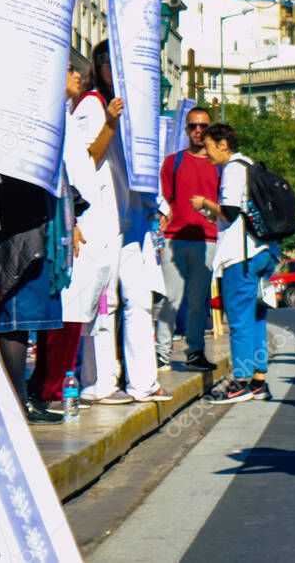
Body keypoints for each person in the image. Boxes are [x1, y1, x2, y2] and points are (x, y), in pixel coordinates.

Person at [78, 41, 170, 405]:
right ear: (98, 67)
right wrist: (111, 123)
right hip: (101, 220)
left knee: (139, 299)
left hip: (131, 220)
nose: (116, 72)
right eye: (109, 63)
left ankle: (143, 382)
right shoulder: (91, 105)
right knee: (105, 302)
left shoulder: (132, 111)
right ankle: (98, 383)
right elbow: (86, 158)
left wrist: (156, 203)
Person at [193, 123, 278, 403]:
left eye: (208, 146)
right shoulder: (250, 164)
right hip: (264, 250)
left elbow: (230, 212)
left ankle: (240, 381)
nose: (205, 152)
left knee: (239, 320)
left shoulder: (231, 169)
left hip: (241, 255)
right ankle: (258, 381)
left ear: (223, 144)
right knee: (256, 317)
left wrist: (205, 203)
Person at [27, 61, 93, 411]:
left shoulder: (68, 116)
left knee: (71, 306)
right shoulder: (52, 116)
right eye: (69, 69)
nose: (77, 75)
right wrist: (73, 219)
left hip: (71, 218)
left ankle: (53, 383)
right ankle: (47, 386)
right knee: (59, 306)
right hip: (59, 222)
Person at [155, 105, 220, 372]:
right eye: (193, 126)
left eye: (203, 126)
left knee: (197, 301)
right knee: (169, 298)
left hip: (207, 240)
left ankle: (195, 352)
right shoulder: (173, 161)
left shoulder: (219, 166)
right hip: (174, 238)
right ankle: (161, 352)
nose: (197, 131)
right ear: (185, 129)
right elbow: (164, 198)